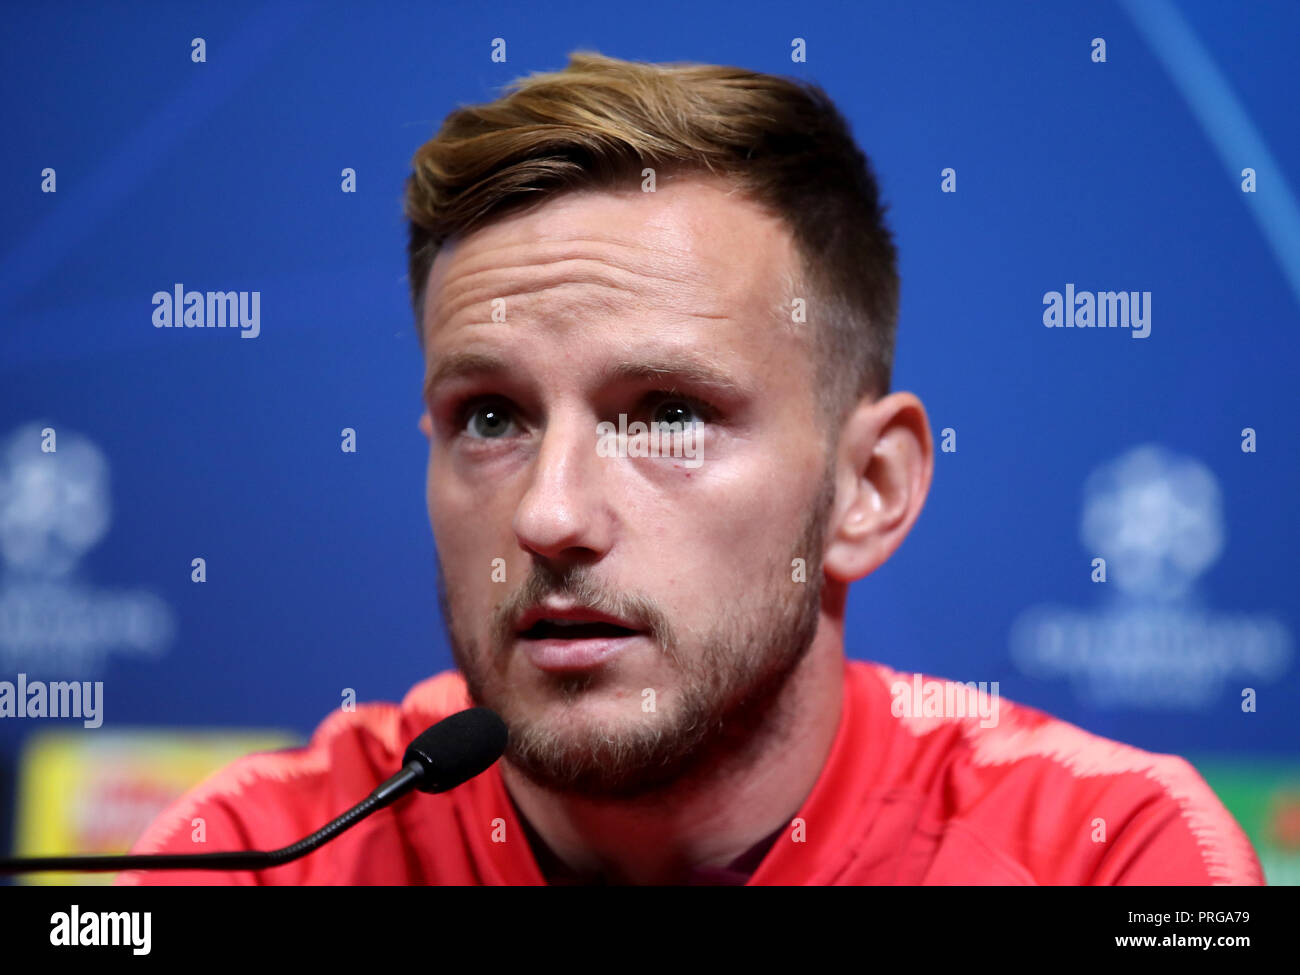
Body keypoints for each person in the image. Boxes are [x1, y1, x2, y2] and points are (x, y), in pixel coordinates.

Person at [118, 51, 1263, 886]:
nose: (551, 514)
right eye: (489, 418)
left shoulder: (1116, 862)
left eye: (667, 412)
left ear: (869, 490)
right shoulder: (253, 861)